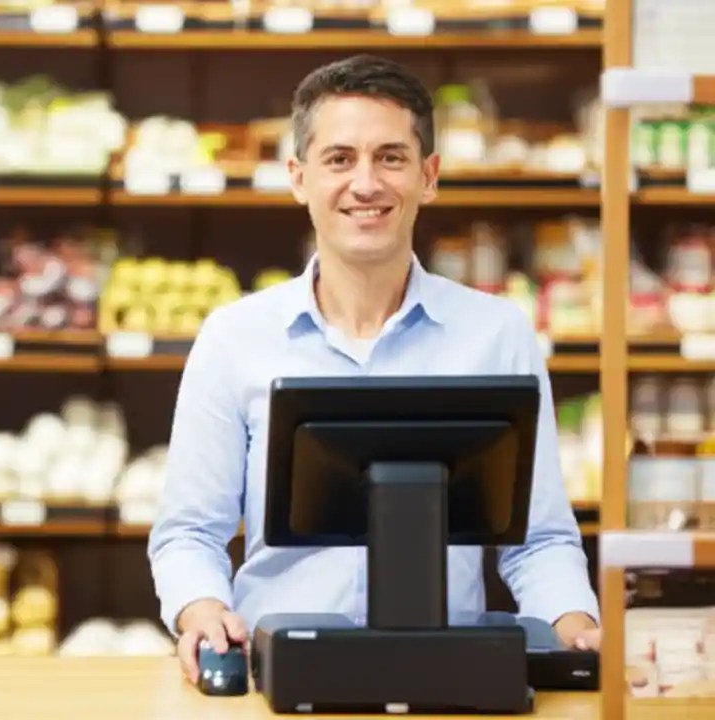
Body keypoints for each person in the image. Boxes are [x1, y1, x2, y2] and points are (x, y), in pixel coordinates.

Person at [147, 54, 602, 685]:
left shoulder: (497, 335)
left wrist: (573, 623)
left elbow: (542, 539)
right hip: (279, 677)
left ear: (429, 176)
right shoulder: (234, 338)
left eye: (390, 157)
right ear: (299, 178)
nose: (366, 183)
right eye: (339, 159)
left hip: (447, 679)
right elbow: (190, 532)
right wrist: (201, 609)